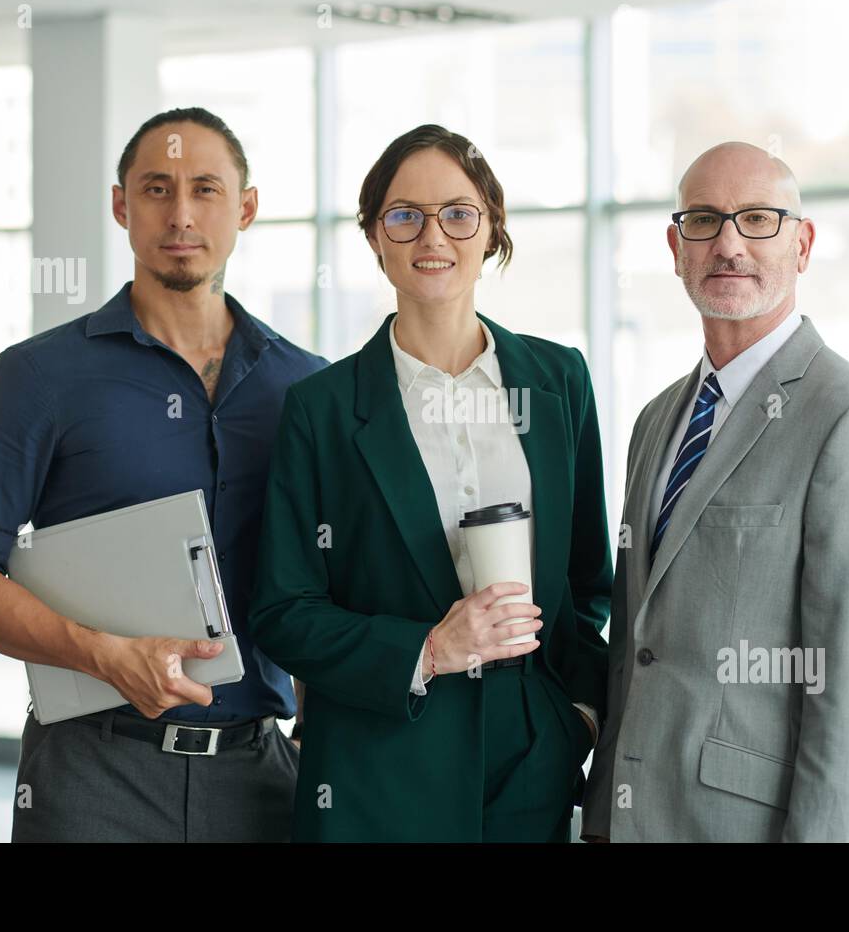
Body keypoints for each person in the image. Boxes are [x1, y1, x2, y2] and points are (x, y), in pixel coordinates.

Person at [0, 107, 325, 841]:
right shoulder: (38, 377)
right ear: (121, 206)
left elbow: (326, 581)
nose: (180, 214)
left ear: (247, 208)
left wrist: (321, 742)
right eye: (156, 189)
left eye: (205, 189)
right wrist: (104, 655)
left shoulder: (306, 387)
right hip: (92, 778)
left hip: (262, 782)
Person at [249, 123, 610, 842]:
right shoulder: (322, 409)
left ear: (490, 232)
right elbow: (283, 611)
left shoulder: (558, 379)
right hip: (377, 765)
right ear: (376, 239)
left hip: (529, 757)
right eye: (404, 216)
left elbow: (586, 580)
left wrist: (576, 719)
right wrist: (430, 650)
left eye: (457, 213)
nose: (432, 236)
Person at [581, 141, 849, 842]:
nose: (729, 243)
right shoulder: (656, 420)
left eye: (758, 219)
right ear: (676, 247)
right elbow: (635, 650)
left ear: (803, 243)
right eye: (704, 221)